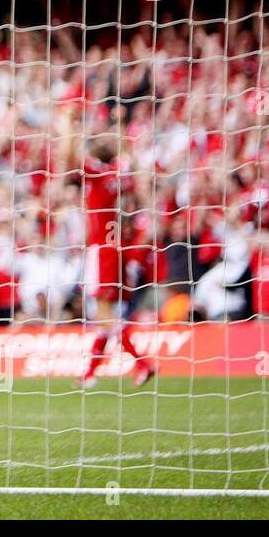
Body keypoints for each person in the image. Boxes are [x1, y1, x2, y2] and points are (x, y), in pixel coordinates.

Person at [76, 136, 155, 387]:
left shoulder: (98, 173)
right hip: (112, 248)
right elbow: (129, 160)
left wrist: (66, 122)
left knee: (105, 315)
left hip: (101, 250)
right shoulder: (116, 175)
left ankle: (143, 363)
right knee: (103, 317)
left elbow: (69, 157)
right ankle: (89, 374)